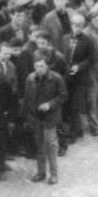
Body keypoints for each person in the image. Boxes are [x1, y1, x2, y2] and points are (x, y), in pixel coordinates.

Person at [24, 53, 66, 185]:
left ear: (47, 66)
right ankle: (41, 172)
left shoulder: (56, 78)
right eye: (36, 66)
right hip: (36, 118)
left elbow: (63, 96)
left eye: (42, 66)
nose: (39, 68)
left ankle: (53, 175)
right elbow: (27, 99)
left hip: (50, 118)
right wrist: (28, 116)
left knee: (51, 146)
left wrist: (50, 104)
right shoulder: (30, 79)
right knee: (39, 146)